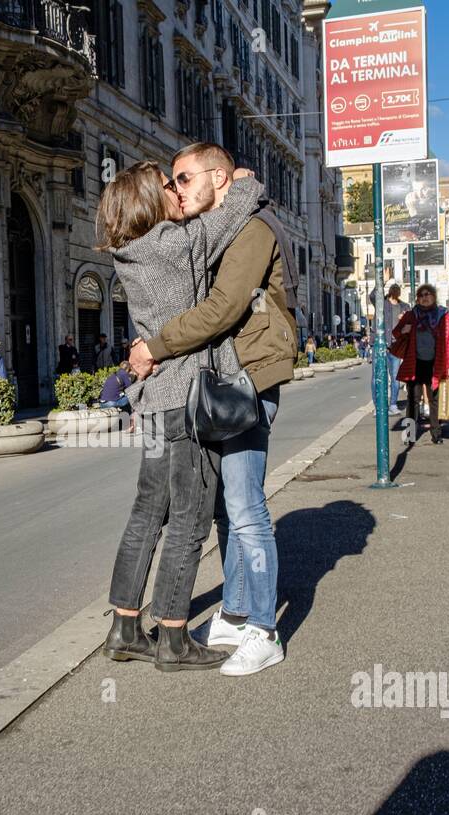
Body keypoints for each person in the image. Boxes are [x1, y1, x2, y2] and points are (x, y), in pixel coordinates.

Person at [126, 141, 296, 677]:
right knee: (227, 507)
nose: (174, 190)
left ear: (217, 178)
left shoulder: (251, 229)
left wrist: (153, 347)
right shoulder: (222, 226)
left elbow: (221, 310)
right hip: (225, 382)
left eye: (181, 178)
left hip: (247, 379)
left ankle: (264, 630)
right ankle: (235, 611)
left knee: (247, 507)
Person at [98, 152, 264, 673]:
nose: (177, 191)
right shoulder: (170, 245)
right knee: (189, 520)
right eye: (169, 185)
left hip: (151, 406)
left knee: (147, 513)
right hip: (182, 404)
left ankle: (125, 626)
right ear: (151, 200)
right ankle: (172, 638)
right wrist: (243, 181)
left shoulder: (130, 251)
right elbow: (228, 218)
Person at [390, 284, 449, 445]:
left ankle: (436, 434)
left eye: (428, 294)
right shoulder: (411, 314)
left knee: (434, 400)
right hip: (415, 363)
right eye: (421, 295)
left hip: (435, 364)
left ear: (434, 297)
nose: (424, 297)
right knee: (412, 400)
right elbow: (396, 332)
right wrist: (404, 331)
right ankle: (409, 436)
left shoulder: (443, 315)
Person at [383, 284, 409, 413]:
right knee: (382, 377)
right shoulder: (383, 304)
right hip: (384, 346)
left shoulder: (404, 306)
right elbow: (372, 296)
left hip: (397, 347)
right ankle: (382, 406)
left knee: (394, 377)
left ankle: (393, 404)